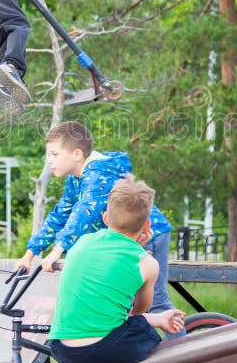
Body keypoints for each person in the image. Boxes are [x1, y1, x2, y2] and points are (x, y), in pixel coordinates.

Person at [14, 120, 185, 337]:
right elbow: (60, 215)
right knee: (124, 305)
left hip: (146, 232)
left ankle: (184, 361)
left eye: (54, 155)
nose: (49, 161)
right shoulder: (75, 180)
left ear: (77, 154)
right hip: (121, 238)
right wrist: (29, 255)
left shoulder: (97, 174)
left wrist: (56, 251)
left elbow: (84, 214)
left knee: (157, 301)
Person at [47, 174, 186, 363]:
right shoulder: (147, 263)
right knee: (144, 333)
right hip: (105, 352)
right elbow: (138, 312)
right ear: (147, 225)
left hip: (63, 352)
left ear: (105, 218)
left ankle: (158, 320)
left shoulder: (82, 242)